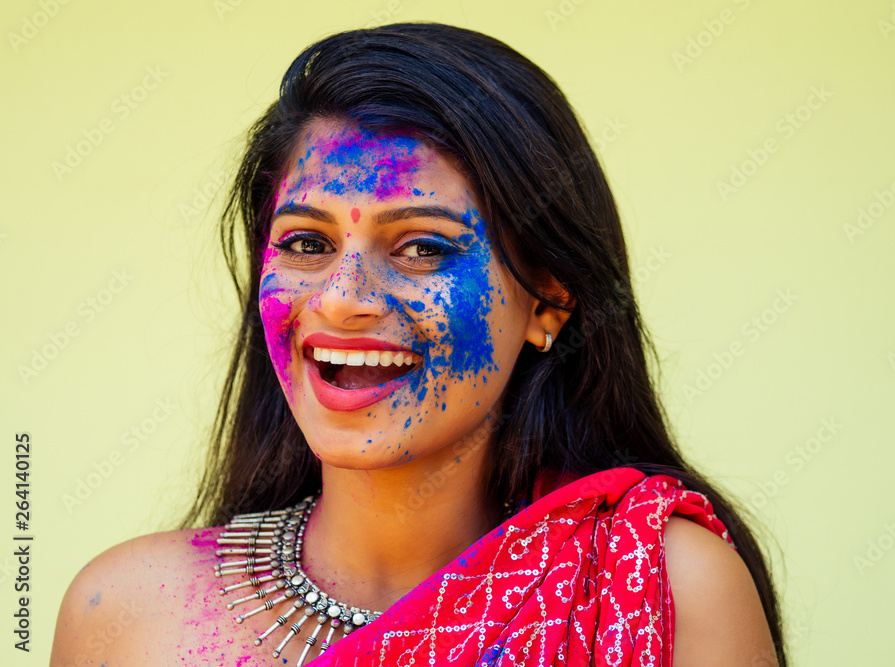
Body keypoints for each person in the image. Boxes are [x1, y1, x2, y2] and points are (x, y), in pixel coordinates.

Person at [51, 22, 785, 666]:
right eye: (307, 241)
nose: (341, 297)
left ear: (550, 300)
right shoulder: (123, 614)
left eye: (422, 248)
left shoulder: (659, 588)